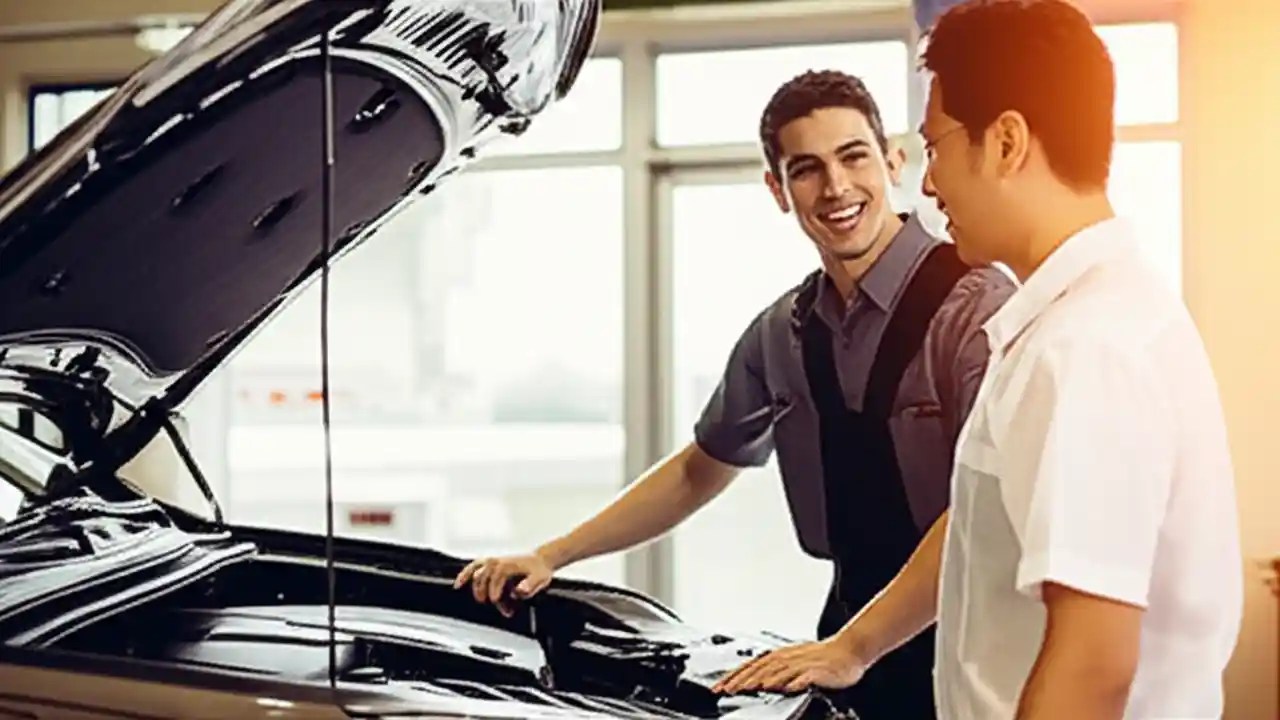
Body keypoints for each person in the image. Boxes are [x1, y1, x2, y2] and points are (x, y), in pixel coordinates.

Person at [715, 1, 1245, 719]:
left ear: (1005, 142)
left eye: (934, 147)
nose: (928, 185)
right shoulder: (1068, 325)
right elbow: (976, 520)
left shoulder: (1086, 352)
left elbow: (1093, 667)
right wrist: (855, 647)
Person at [454, 69, 1015, 718]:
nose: (835, 187)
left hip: (978, 647)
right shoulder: (783, 333)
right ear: (778, 189)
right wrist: (553, 553)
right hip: (849, 648)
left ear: (892, 160)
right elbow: (699, 469)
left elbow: (985, 506)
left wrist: (855, 647)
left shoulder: (978, 307)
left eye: (853, 156)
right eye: (805, 169)